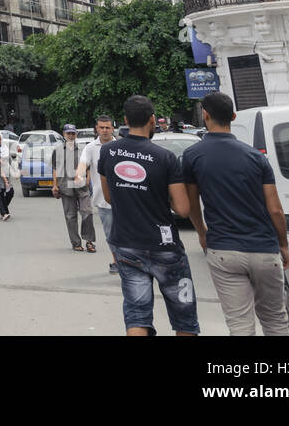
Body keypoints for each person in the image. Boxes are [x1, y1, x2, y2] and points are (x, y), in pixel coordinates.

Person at [182, 91, 289, 336]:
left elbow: (191, 205)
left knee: (240, 324)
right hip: (265, 249)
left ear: (205, 115)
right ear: (232, 116)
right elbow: (275, 209)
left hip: (224, 250)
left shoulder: (192, 156)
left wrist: (202, 233)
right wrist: (282, 244)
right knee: (275, 320)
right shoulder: (256, 157)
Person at [99, 95, 198, 337]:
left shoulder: (108, 152)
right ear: (152, 120)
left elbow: (109, 197)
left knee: (137, 313)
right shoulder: (165, 158)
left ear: (124, 120)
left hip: (126, 244)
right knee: (184, 317)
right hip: (165, 247)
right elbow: (183, 209)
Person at [76, 115, 120, 274]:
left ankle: (129, 262)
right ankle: (117, 261)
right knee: (111, 234)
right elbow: (83, 163)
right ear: (96, 128)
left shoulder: (120, 145)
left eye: (107, 127)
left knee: (128, 232)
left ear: (112, 128)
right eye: (101, 127)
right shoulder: (90, 147)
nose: (104, 130)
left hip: (124, 199)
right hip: (103, 200)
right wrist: (79, 175)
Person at [53, 124, 96, 252]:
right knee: (70, 216)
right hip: (65, 187)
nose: (71, 135)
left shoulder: (84, 149)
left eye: (73, 133)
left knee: (87, 212)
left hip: (82, 187)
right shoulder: (58, 151)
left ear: (76, 134)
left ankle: (89, 241)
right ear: (64, 135)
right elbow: (55, 169)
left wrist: (88, 179)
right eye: (68, 133)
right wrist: (54, 185)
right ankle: (76, 242)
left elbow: (89, 166)